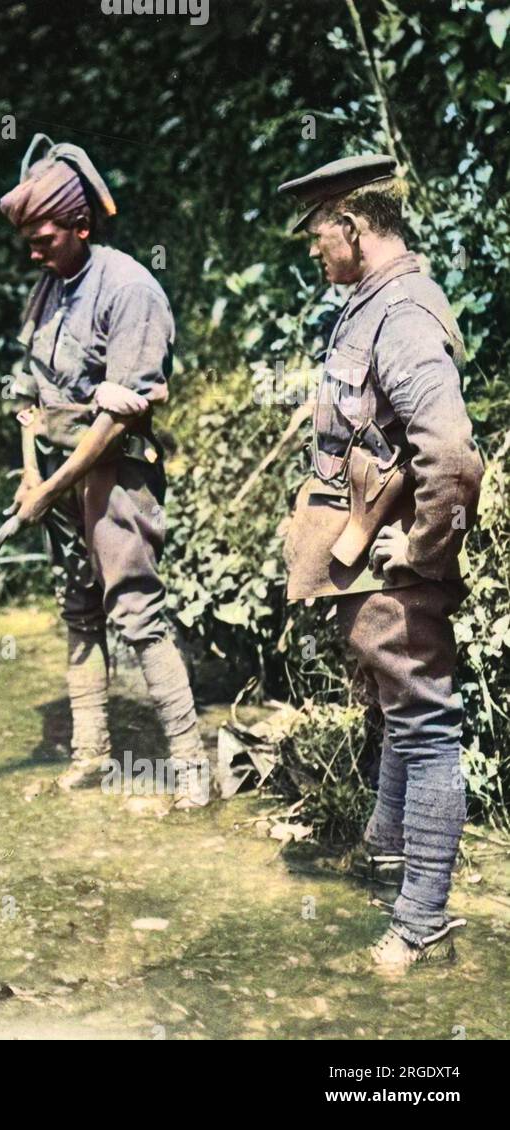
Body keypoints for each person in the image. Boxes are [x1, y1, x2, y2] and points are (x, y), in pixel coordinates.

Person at [277, 154, 483, 970]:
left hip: (394, 565)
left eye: (320, 238)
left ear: (355, 229)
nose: (316, 255)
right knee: (400, 704)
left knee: (427, 721)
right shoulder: (370, 303)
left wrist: (422, 552)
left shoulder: (401, 316)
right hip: (363, 556)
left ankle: (422, 922)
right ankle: (390, 856)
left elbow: (452, 457)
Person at [1, 136, 208, 807]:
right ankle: (90, 752)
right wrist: (33, 475)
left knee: (138, 614)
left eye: (46, 237)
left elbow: (117, 417)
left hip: (115, 479)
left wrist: (57, 485)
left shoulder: (129, 291)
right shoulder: (46, 289)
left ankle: (191, 769)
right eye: (28, 239)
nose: (34, 250)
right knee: (77, 610)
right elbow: (29, 397)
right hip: (58, 479)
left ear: (81, 226)